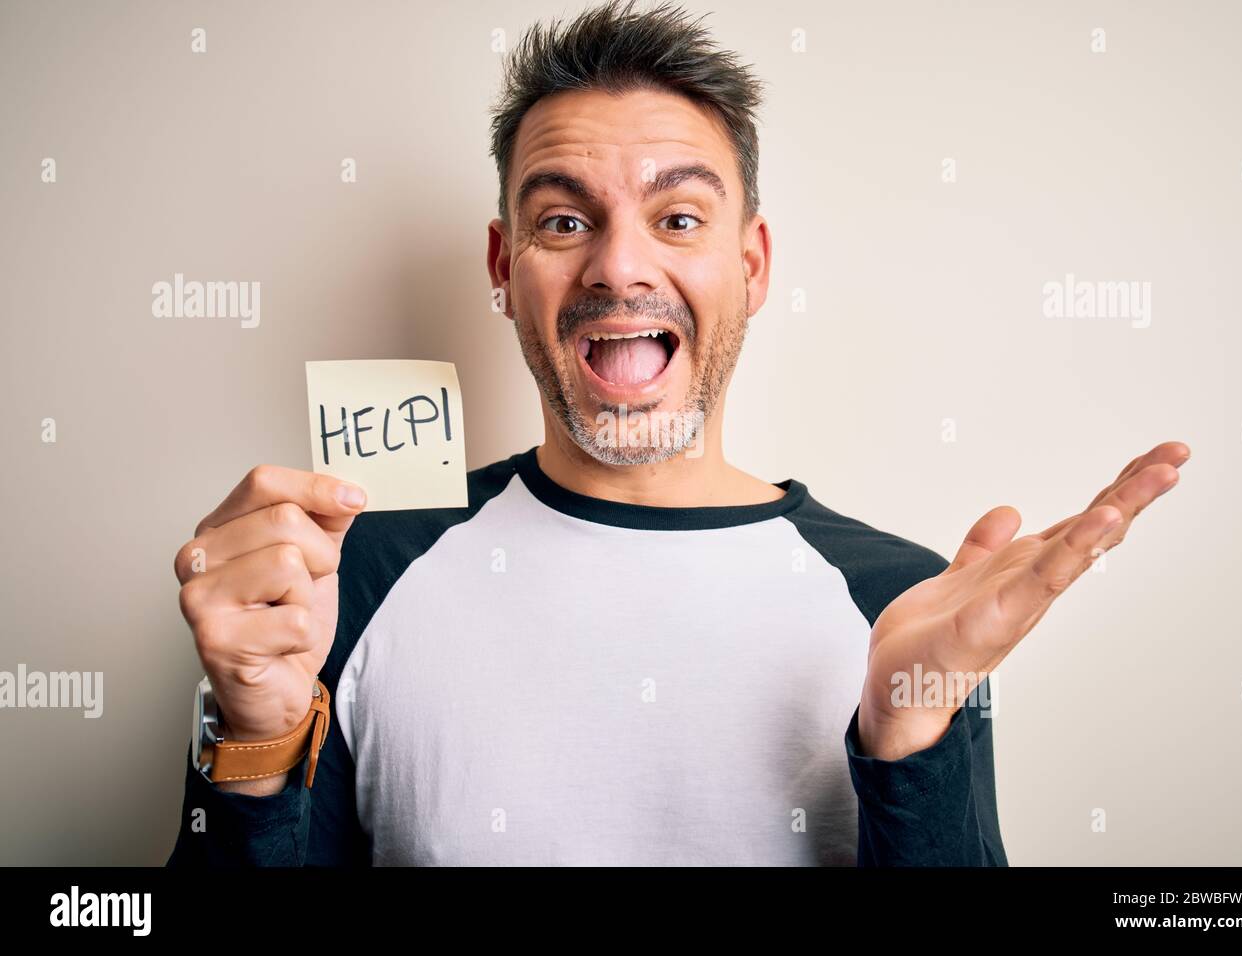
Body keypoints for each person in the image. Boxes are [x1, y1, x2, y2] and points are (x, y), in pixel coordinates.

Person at [166, 0, 1187, 866]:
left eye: (679, 218)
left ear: (751, 265)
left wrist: (909, 740)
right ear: (500, 265)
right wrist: (251, 740)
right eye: (563, 221)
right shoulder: (357, 568)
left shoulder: (901, 608)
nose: (618, 267)